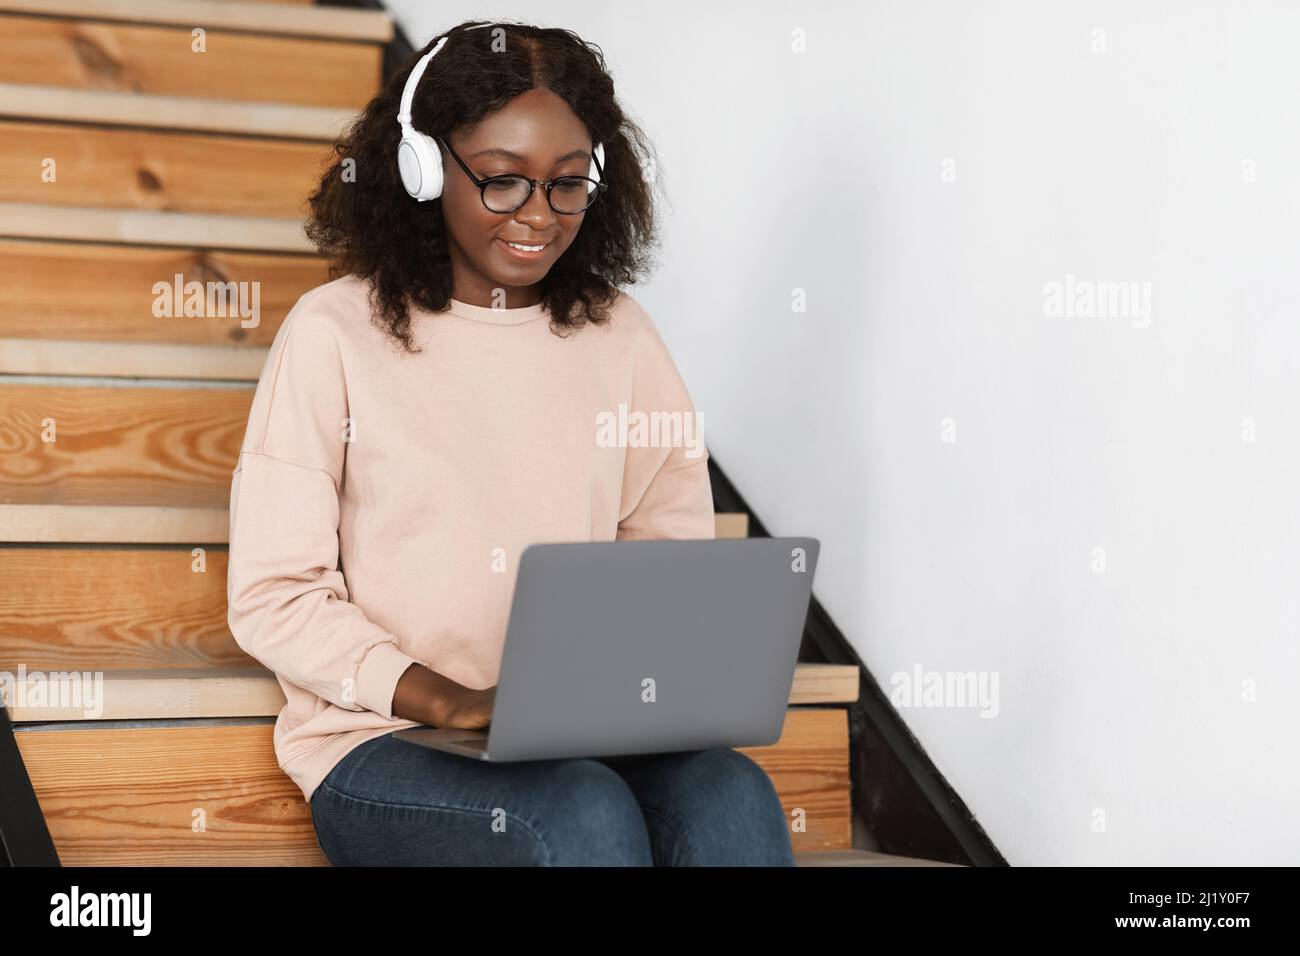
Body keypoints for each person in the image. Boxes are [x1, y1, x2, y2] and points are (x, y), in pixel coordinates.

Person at [226, 19, 794, 866]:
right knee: (582, 811)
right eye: (502, 182)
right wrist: (445, 698)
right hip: (384, 742)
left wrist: (636, 694)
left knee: (731, 793)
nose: (539, 215)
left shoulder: (622, 337)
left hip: (577, 741)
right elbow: (275, 596)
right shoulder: (332, 333)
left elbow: (667, 561)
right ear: (423, 167)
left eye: (568, 184)